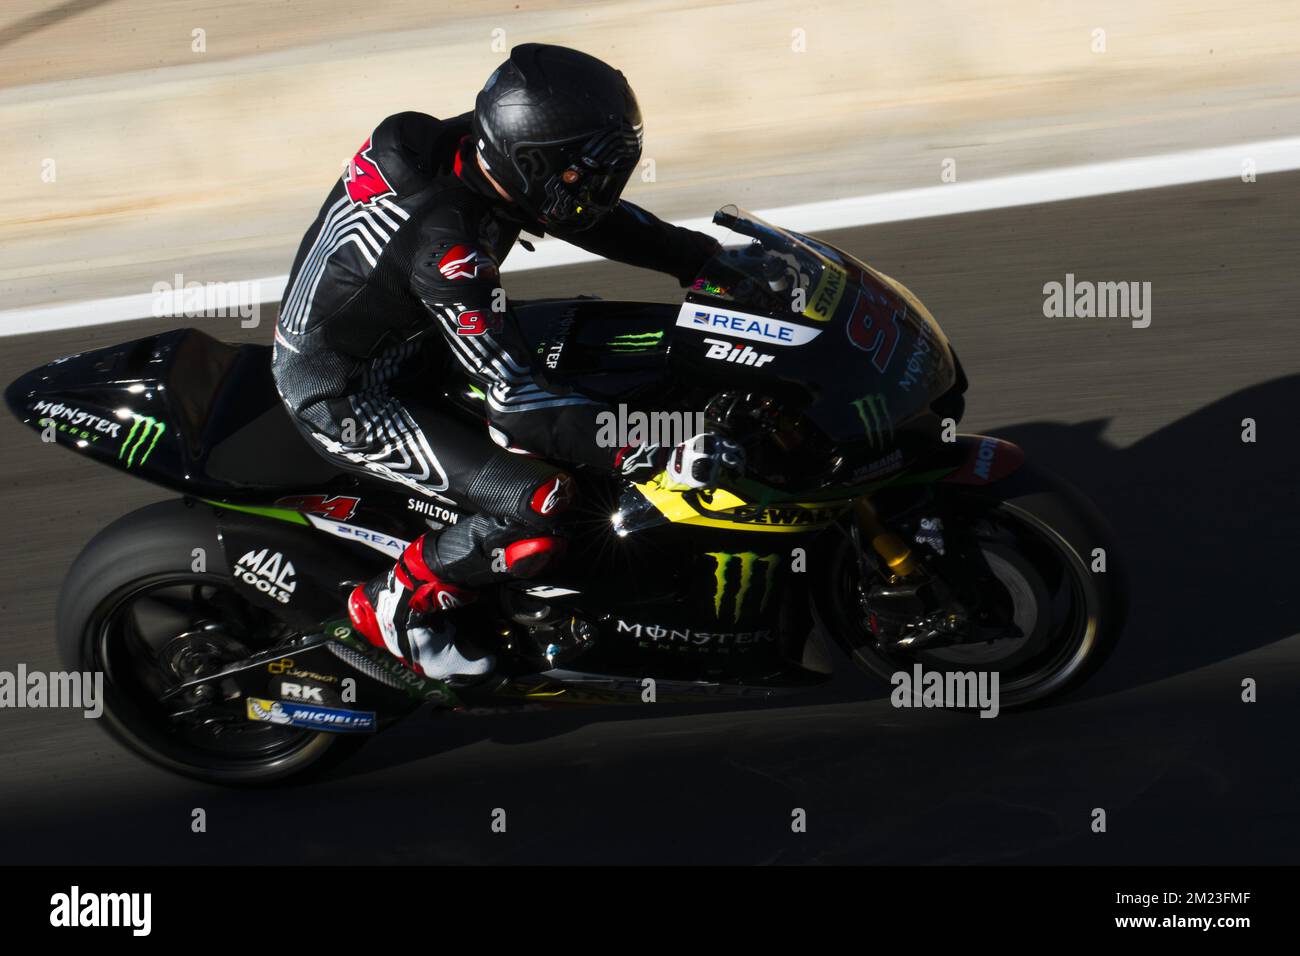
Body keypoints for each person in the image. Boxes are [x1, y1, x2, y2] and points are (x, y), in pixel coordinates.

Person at [272, 43, 742, 680]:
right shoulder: (447, 249)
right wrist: (650, 444)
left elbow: (576, 211)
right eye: (585, 172)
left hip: (415, 335)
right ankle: (393, 609)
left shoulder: (469, 150)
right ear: (532, 158)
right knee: (542, 501)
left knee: (608, 350)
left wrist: (700, 259)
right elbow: (518, 406)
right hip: (350, 393)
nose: (601, 185)